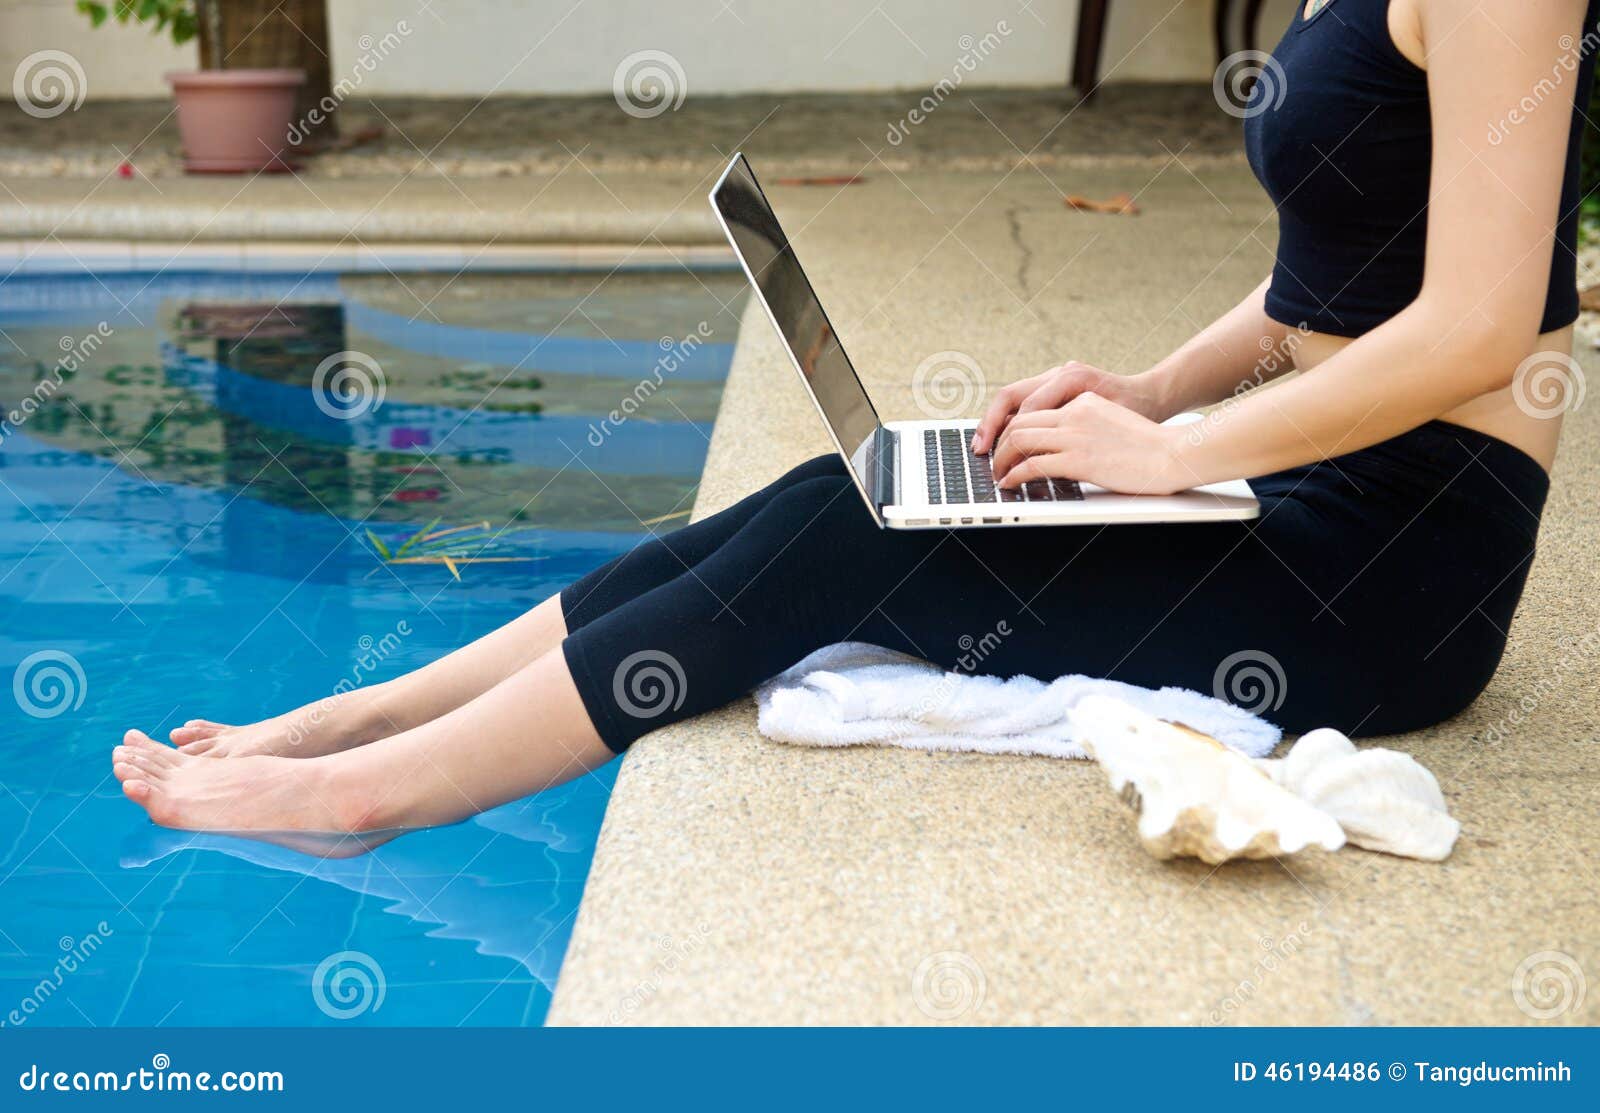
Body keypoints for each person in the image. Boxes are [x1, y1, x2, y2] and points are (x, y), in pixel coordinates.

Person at [113, 0, 1592, 850]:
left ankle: (356, 796)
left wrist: (1176, 455)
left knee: (850, 538)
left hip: (1394, 574)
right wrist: (1150, 391)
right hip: (1295, 487)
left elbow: (1482, 319)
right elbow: (1331, 275)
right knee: (849, 488)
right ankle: (367, 715)